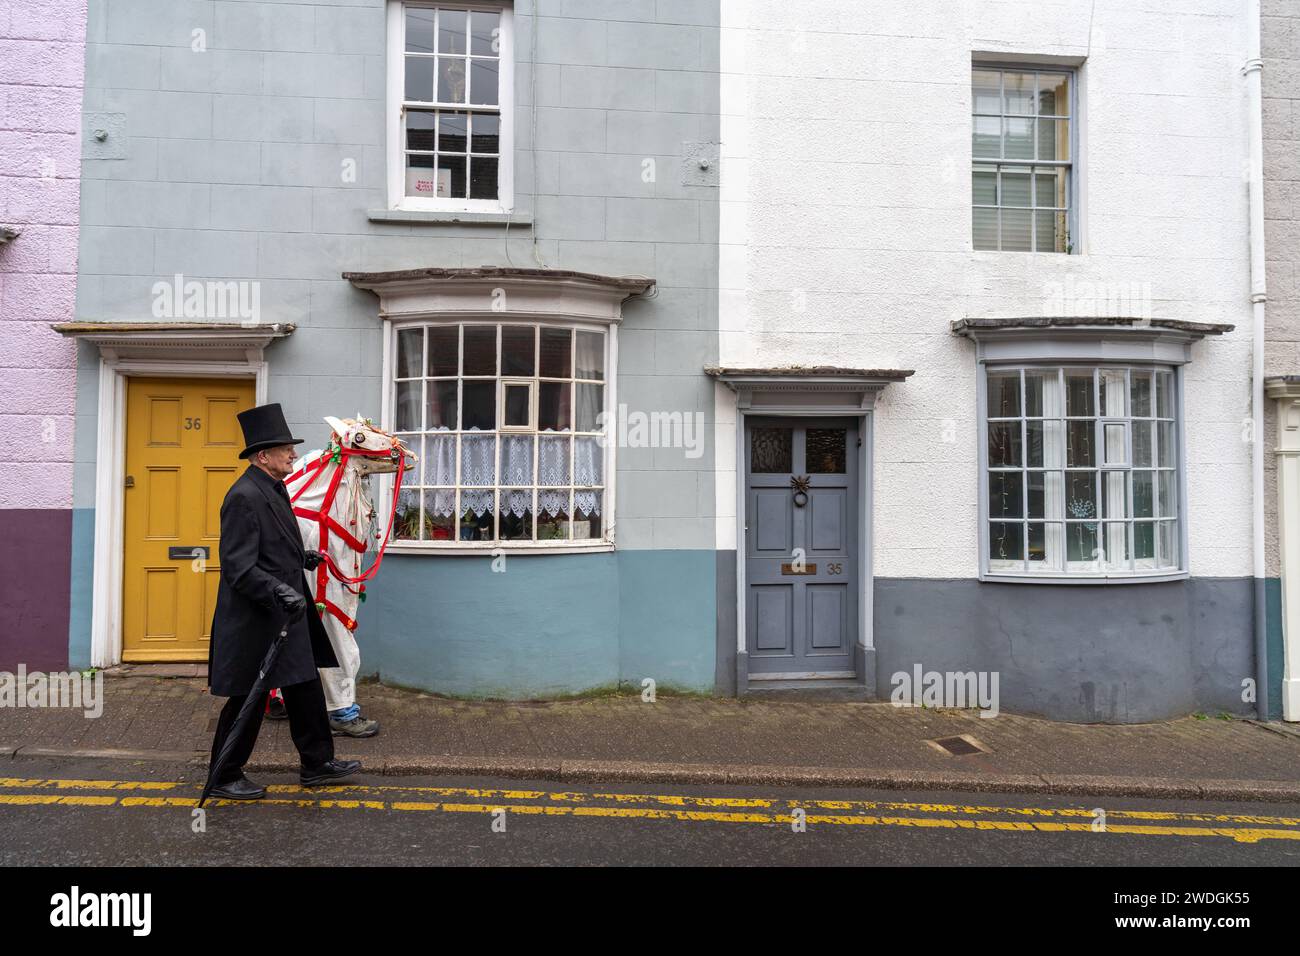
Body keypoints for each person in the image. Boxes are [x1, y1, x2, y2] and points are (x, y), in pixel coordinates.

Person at [205, 403, 361, 800]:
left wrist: (302, 558)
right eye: (286, 449)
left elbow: (271, 548)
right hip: (257, 622)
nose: (293, 454)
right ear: (263, 456)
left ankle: (317, 764)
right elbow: (239, 568)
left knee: (305, 687)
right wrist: (281, 590)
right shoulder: (243, 496)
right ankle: (223, 775)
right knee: (247, 700)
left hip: (285, 617)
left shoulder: (271, 489)